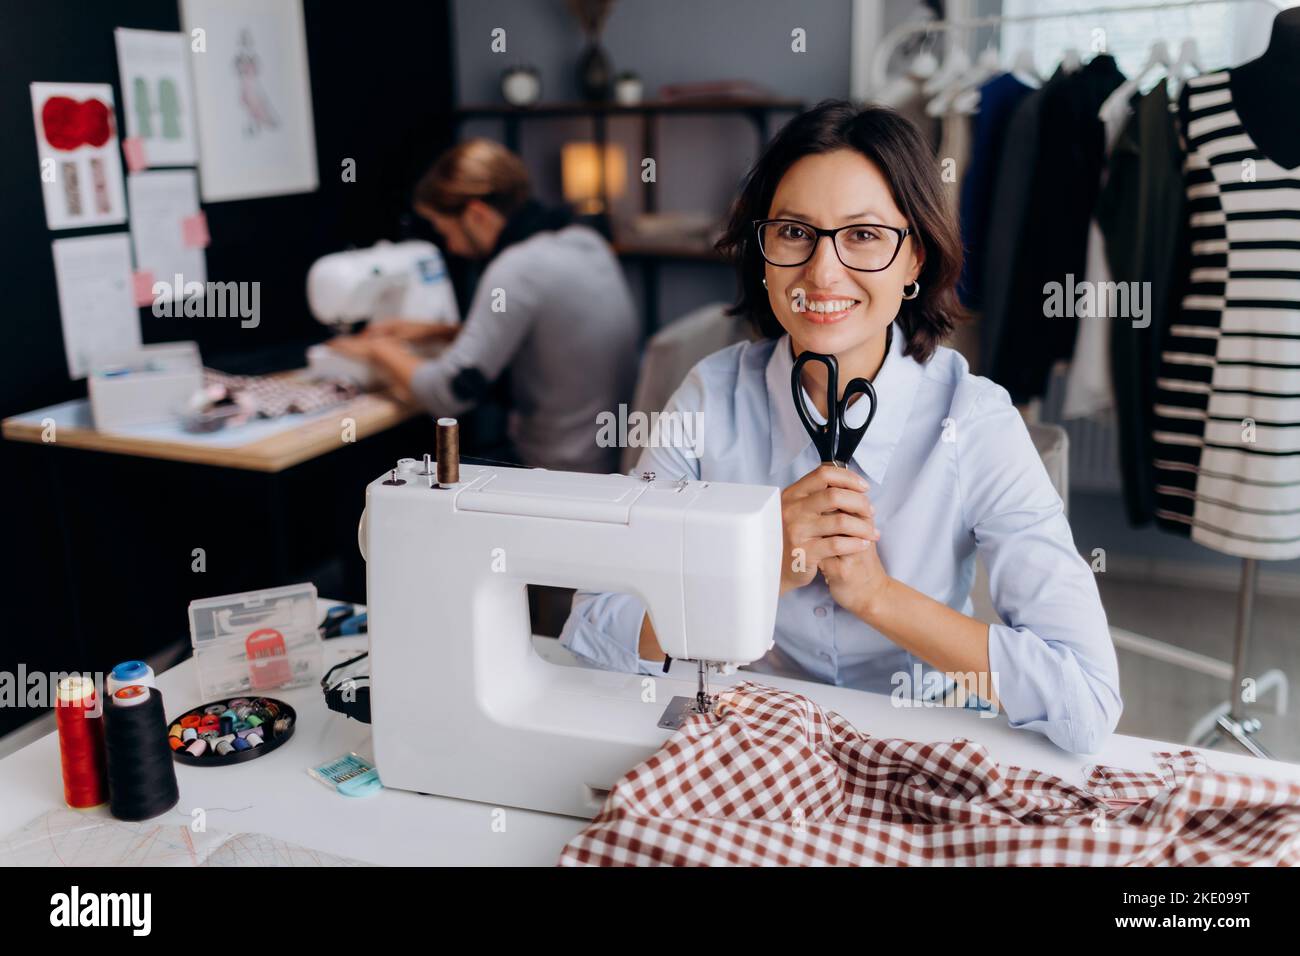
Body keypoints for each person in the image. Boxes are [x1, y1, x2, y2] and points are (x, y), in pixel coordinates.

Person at [559, 101, 1122, 755]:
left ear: (914, 258)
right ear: (763, 251)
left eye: (862, 235)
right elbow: (594, 629)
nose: (822, 273)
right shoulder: (709, 399)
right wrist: (758, 567)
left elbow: (1087, 705)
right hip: (754, 734)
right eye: (795, 232)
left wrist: (878, 596)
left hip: (923, 738)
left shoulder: (975, 419)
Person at [329, 138, 639, 473]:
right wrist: (439, 332)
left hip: (558, 472)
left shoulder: (517, 268)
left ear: (476, 214)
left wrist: (377, 349)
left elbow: (448, 394)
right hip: (608, 458)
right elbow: (542, 337)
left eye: (445, 231)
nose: (452, 246)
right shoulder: (583, 242)